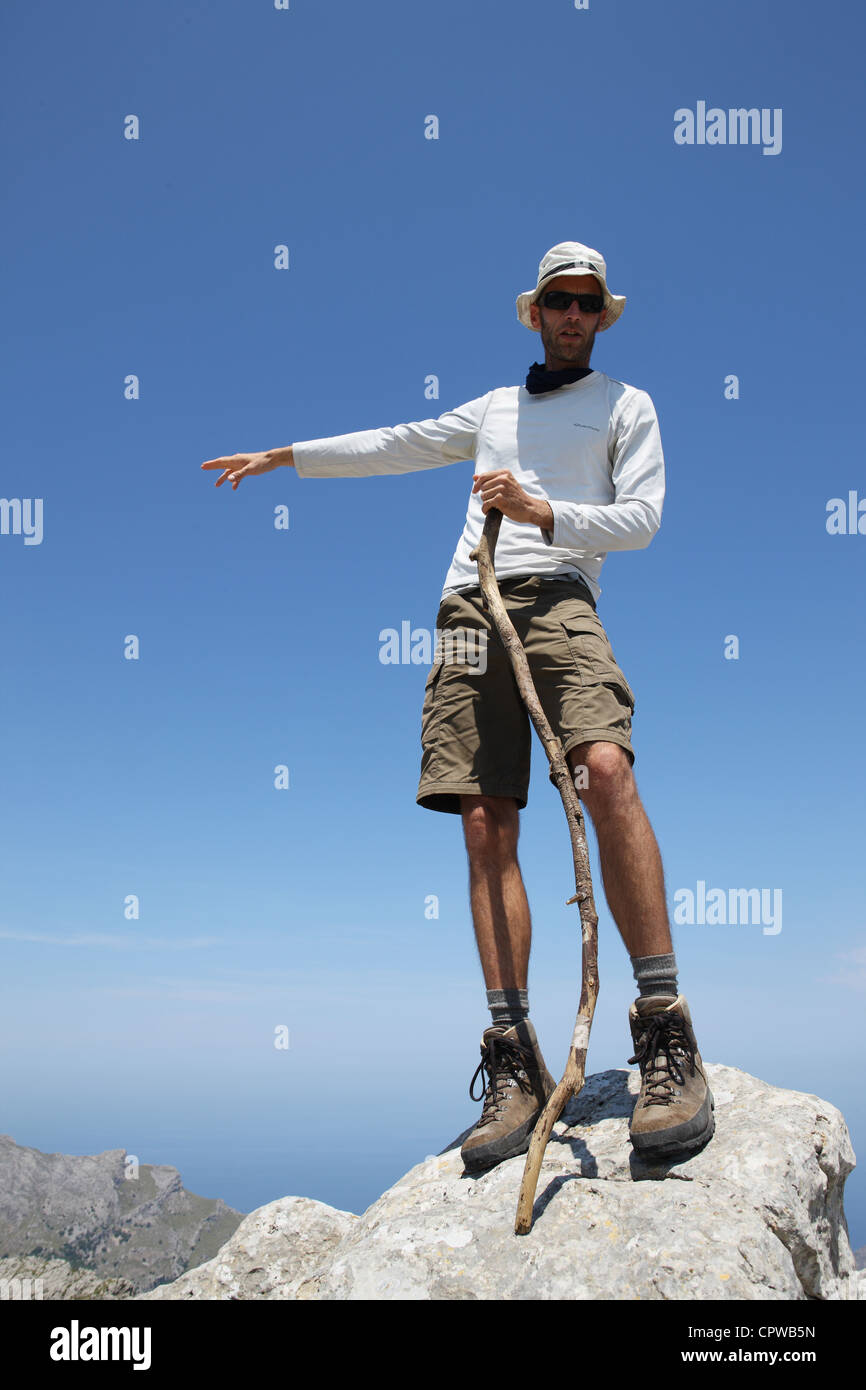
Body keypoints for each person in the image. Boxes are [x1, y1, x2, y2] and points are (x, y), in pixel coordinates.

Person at [201, 240, 715, 1172]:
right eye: (557, 299)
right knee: (484, 819)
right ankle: (513, 1059)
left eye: (586, 302)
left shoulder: (626, 406)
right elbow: (398, 442)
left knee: (607, 769)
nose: (571, 314)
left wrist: (539, 511)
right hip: (466, 607)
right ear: (535, 311)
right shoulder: (494, 408)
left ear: (602, 315)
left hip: (560, 593)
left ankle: (664, 1033)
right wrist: (289, 456)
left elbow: (642, 519)